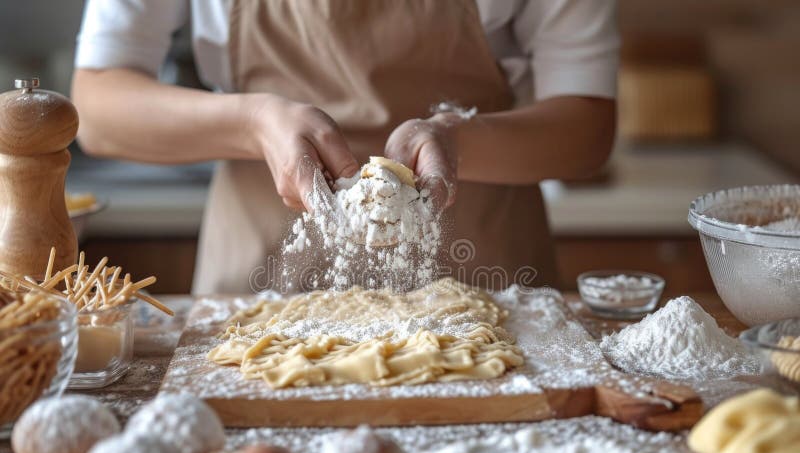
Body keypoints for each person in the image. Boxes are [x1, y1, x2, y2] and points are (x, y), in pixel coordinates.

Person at [72, 0, 618, 293]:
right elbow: (96, 109)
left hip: (484, 284)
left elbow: (588, 130)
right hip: (262, 280)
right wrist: (255, 123)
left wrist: (457, 139)